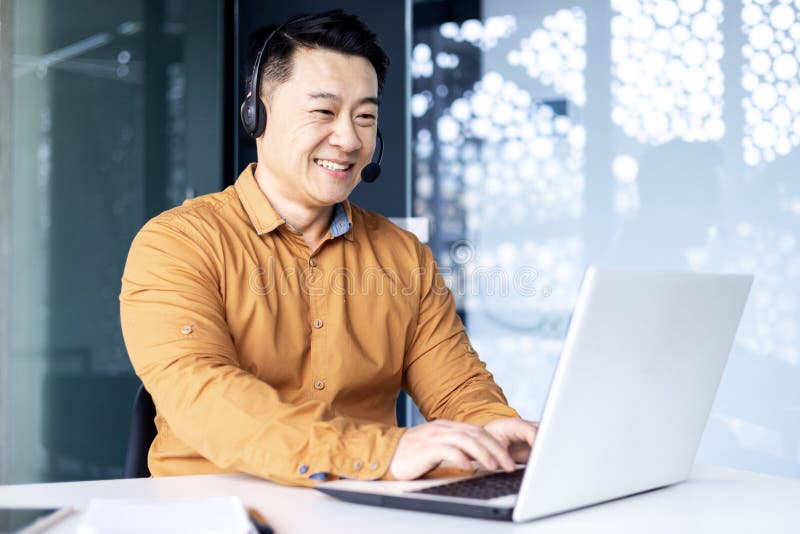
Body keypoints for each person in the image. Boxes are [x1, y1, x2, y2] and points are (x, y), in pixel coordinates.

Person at [120, 9, 537, 487]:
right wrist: (377, 452)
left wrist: (492, 426)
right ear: (256, 113)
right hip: (212, 510)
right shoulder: (177, 244)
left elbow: (456, 388)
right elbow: (204, 395)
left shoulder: (403, 257)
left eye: (365, 117)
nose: (347, 139)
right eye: (323, 111)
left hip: (361, 509)